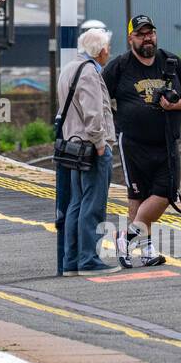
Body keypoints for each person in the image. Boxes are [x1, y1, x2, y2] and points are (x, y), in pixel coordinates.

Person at [102, 14, 181, 268]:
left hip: (166, 143)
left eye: (150, 33)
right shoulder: (120, 66)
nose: (147, 38)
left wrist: (176, 103)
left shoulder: (171, 63)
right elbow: (99, 95)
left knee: (165, 192)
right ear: (131, 38)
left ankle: (125, 237)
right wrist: (112, 123)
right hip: (133, 143)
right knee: (137, 196)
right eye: (141, 34)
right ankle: (145, 251)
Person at [56, 26, 117, 275]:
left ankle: (71, 261)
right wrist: (101, 145)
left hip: (73, 147)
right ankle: (89, 259)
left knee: (76, 204)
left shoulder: (70, 68)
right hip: (91, 148)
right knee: (93, 205)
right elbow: (94, 114)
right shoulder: (90, 72)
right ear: (101, 51)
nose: (109, 53)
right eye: (108, 49)